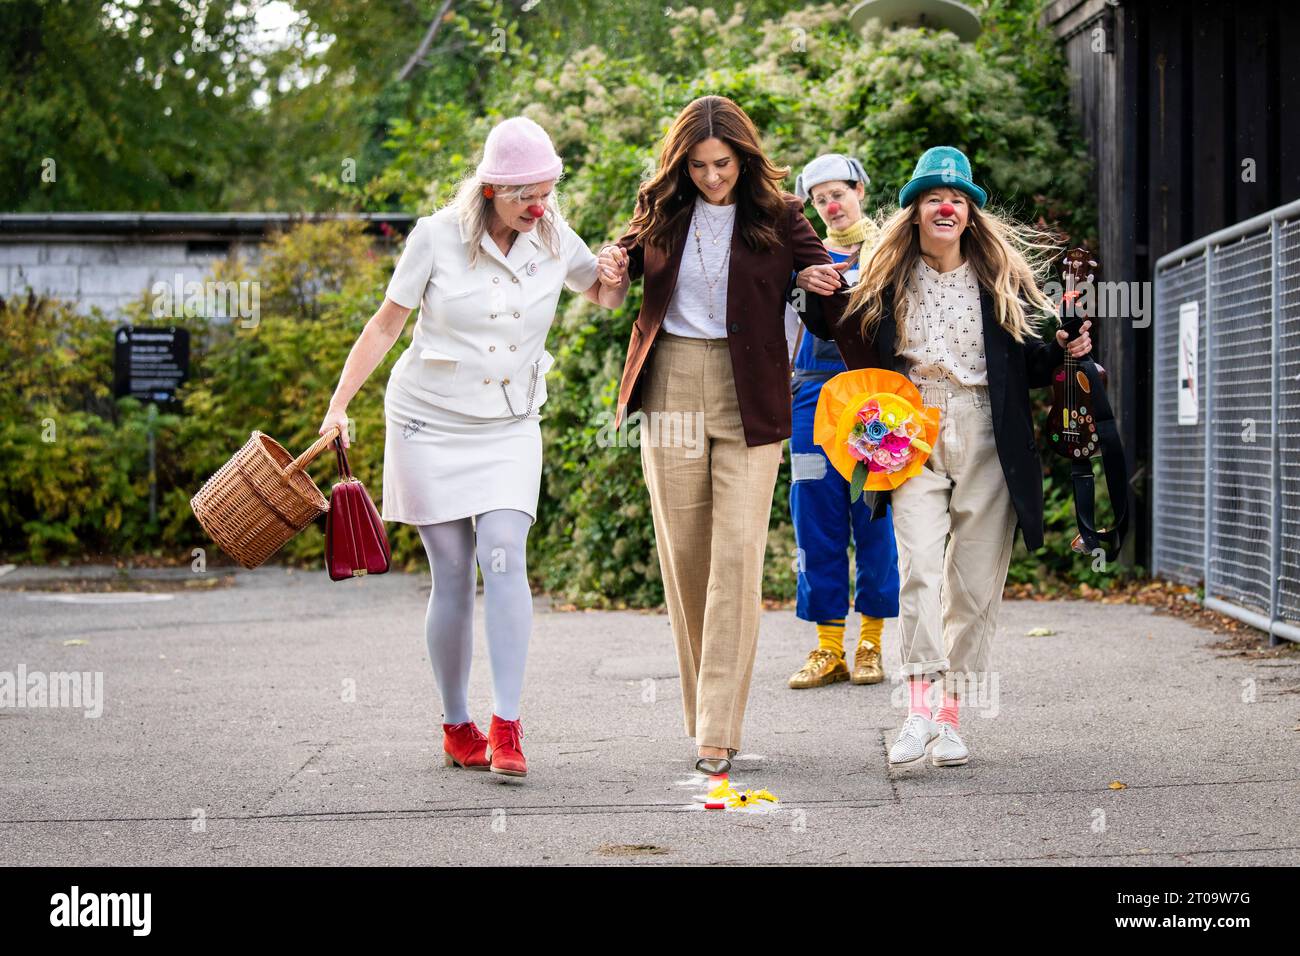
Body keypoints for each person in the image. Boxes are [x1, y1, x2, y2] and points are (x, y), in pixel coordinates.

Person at [318, 116, 627, 779]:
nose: (538, 206)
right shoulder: (435, 238)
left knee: (505, 555)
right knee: (453, 574)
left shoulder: (551, 236)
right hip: (428, 421)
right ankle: (457, 723)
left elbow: (601, 295)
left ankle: (507, 725)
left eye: (546, 191)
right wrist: (338, 406)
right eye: (525, 194)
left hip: (510, 423)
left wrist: (614, 272)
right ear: (490, 188)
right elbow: (386, 325)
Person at [800, 146, 1092, 769]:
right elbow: (831, 326)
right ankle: (916, 709)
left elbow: (1033, 365)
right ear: (913, 210)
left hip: (988, 432)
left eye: (958, 198)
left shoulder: (999, 281)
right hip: (909, 430)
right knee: (920, 571)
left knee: (974, 586)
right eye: (934, 196)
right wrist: (809, 285)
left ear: (970, 214)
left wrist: (1068, 347)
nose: (947, 206)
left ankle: (951, 716)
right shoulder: (886, 278)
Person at [600, 95, 850, 776]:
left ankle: (719, 727)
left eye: (724, 163)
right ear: (682, 164)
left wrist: (818, 278)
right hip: (672, 379)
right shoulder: (660, 210)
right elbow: (610, 278)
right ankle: (702, 708)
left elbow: (827, 298)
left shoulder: (781, 214)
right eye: (700, 165)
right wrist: (610, 267)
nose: (713, 176)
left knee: (736, 556)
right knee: (686, 558)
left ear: (744, 157)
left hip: (753, 393)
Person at [785, 154, 899, 691]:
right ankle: (829, 648)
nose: (832, 205)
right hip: (809, 396)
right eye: (820, 198)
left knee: (872, 514)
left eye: (839, 193)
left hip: (873, 397)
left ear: (859, 189)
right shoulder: (800, 259)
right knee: (816, 516)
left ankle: (872, 643)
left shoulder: (891, 250)